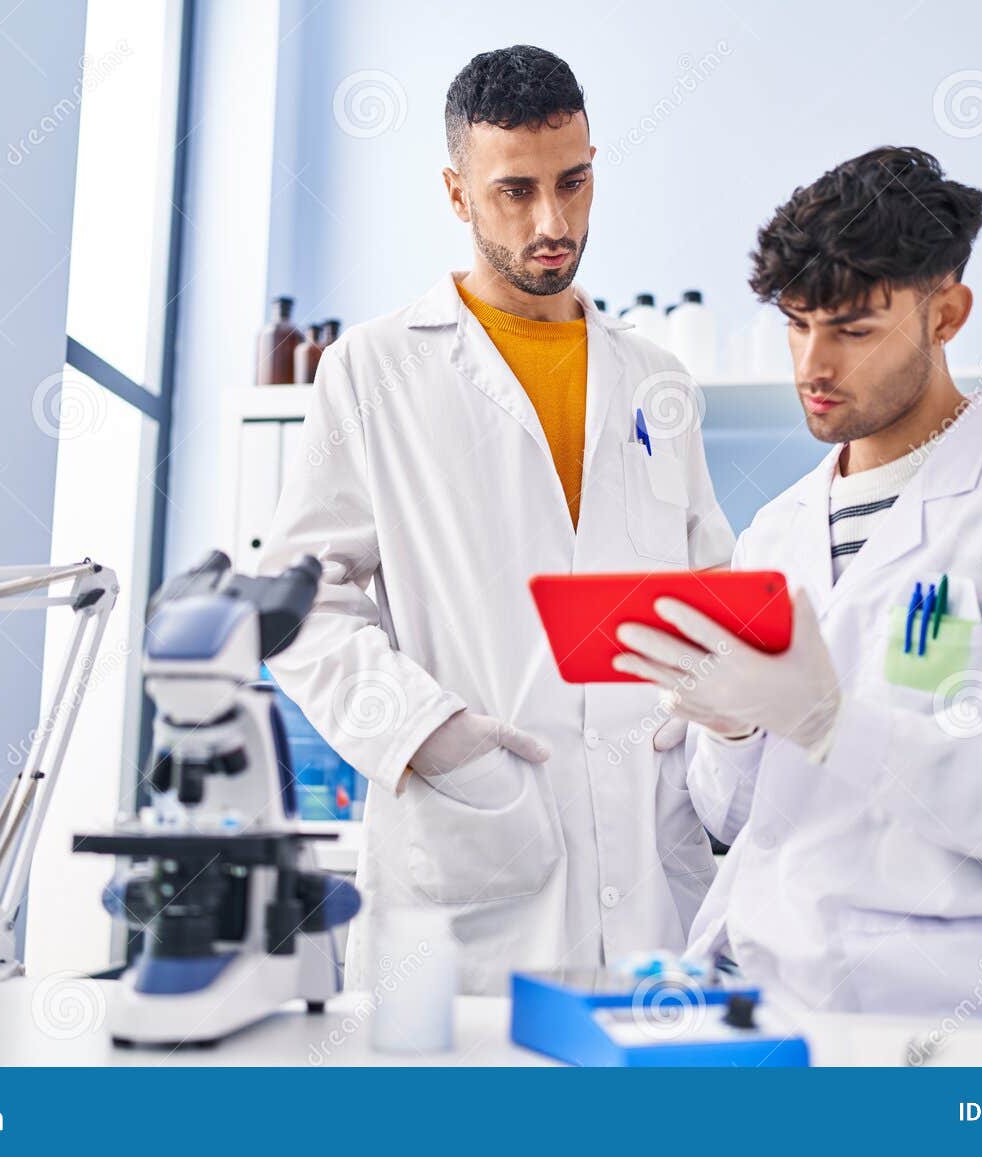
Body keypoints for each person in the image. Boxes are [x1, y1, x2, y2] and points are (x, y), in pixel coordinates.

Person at [614, 146, 982, 1025]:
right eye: (797, 324)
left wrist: (839, 724)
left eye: (852, 329)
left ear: (946, 312)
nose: (813, 364)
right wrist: (727, 727)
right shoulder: (778, 531)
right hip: (798, 1009)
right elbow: (746, 816)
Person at [260, 45, 734, 994]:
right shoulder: (374, 369)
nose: (553, 222)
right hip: (474, 857)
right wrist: (428, 733)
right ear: (456, 191)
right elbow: (301, 603)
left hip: (652, 861)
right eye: (515, 190)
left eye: (575, 182)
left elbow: (709, 592)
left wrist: (718, 717)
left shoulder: (658, 381)